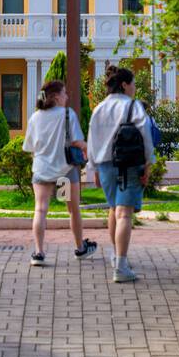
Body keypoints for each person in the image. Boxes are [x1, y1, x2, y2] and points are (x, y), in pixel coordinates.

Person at [88, 65, 155, 283]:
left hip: (105, 165)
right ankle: (121, 266)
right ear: (125, 84)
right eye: (133, 83)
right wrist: (148, 163)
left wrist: (94, 168)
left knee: (113, 209)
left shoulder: (99, 108)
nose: (134, 87)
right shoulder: (133, 106)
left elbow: (92, 140)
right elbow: (145, 134)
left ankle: (116, 255)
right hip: (129, 164)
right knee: (124, 214)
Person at [21, 79, 97, 266]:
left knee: (40, 209)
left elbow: (29, 147)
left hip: (42, 171)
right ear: (55, 97)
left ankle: (38, 253)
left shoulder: (35, 117)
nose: (67, 96)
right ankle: (80, 248)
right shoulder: (67, 115)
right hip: (65, 173)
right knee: (72, 209)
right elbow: (77, 142)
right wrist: (89, 149)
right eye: (64, 93)